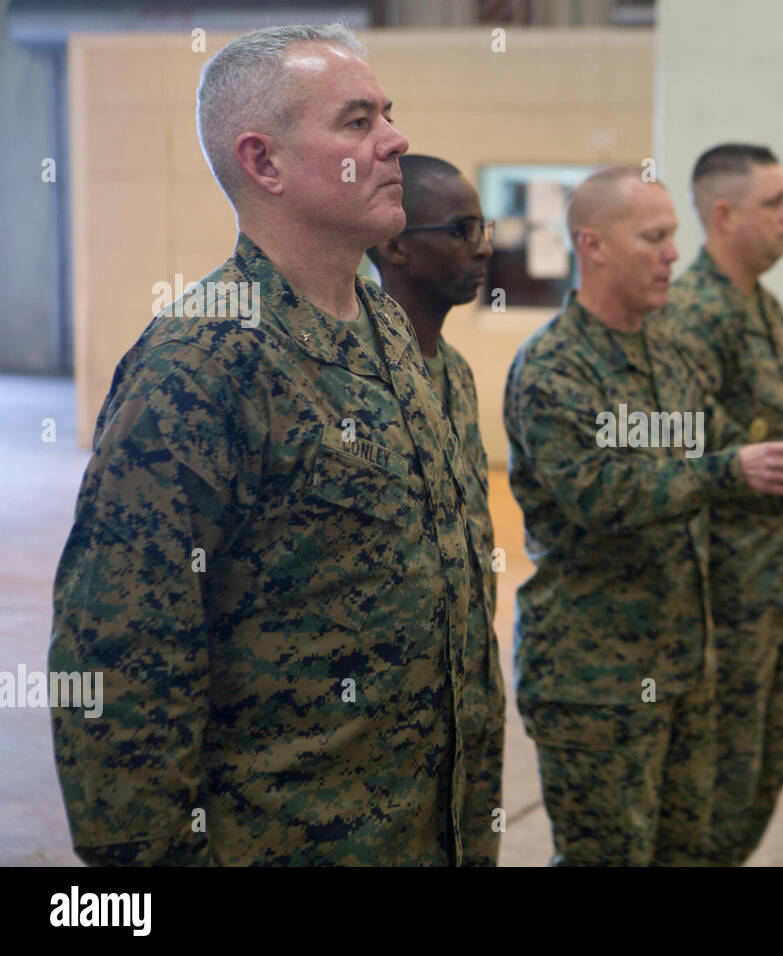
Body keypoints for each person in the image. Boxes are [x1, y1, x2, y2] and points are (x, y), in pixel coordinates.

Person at [49, 25, 486, 865]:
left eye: (388, 115)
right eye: (357, 122)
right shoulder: (199, 365)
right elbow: (121, 660)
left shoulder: (389, 331)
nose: (396, 140)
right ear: (265, 162)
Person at [503, 165, 783, 866]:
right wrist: (727, 468)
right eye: (653, 238)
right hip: (594, 677)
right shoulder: (555, 368)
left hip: (683, 661)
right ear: (593, 246)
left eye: (674, 236)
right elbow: (600, 495)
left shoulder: (672, 357)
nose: (674, 255)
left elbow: (722, 466)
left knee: (691, 853)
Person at [667, 143, 783, 864]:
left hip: (773, 581)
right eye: (774, 203)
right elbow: (687, 457)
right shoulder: (692, 314)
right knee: (719, 787)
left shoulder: (765, 307)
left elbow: (763, 442)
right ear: (724, 214)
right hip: (725, 594)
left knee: (760, 778)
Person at [366, 154, 505, 865]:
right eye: (460, 228)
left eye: (484, 226)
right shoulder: (350, 376)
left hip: (465, 737)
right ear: (395, 244)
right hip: (373, 765)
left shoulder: (453, 372)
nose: (483, 245)